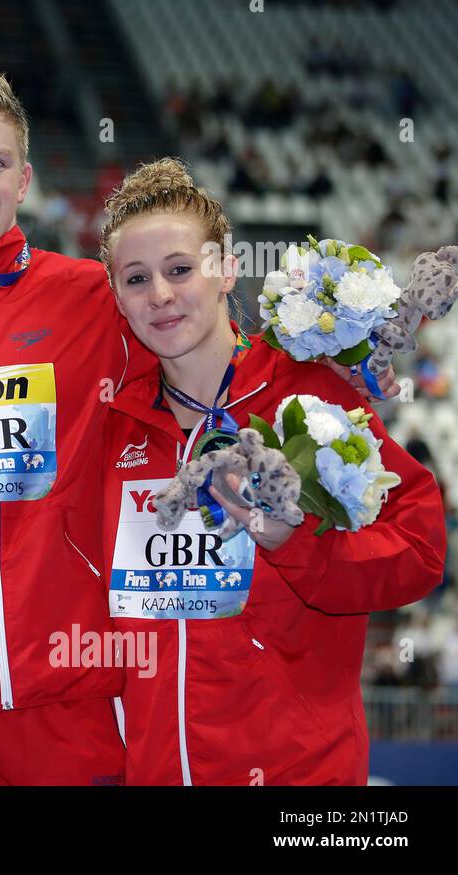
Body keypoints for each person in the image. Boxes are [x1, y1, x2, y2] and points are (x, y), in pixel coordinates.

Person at [0, 66, 392, 786]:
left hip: (72, 694)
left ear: (25, 179)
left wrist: (331, 365)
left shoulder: (98, 298)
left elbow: (211, 355)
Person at [98, 158, 446, 784]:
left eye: (180, 269)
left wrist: (298, 545)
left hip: (301, 774)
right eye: (136, 278)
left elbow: (420, 551)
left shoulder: (310, 396)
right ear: (116, 296)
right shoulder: (114, 426)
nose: (161, 295)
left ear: (228, 269)